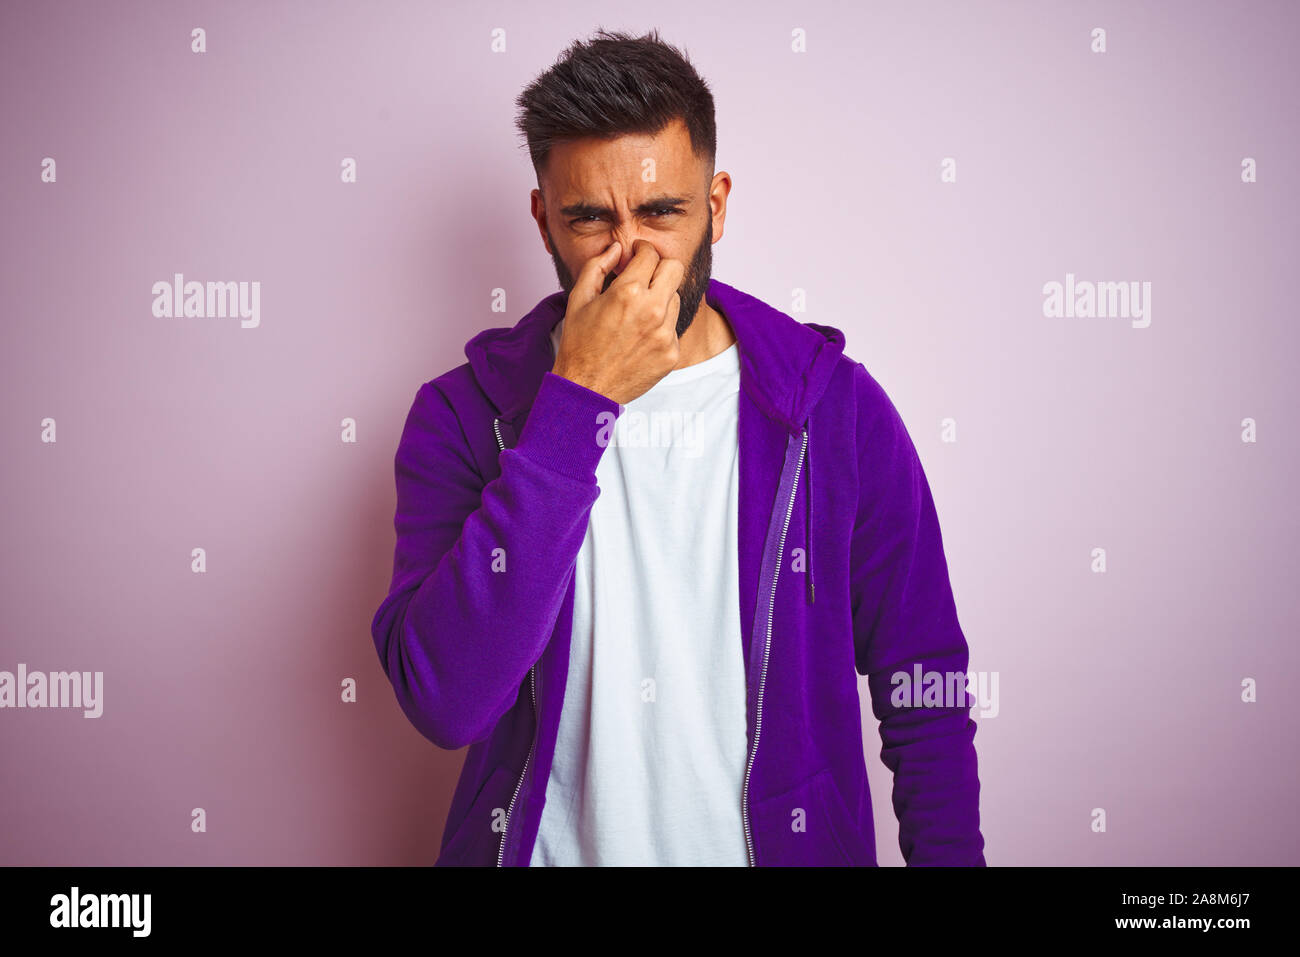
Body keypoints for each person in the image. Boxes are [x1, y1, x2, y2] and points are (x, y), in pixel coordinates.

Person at [371, 28, 986, 867]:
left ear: (718, 206)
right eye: (590, 217)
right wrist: (575, 402)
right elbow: (445, 698)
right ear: (544, 217)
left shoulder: (834, 409)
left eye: (663, 210)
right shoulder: (461, 417)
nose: (633, 254)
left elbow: (926, 690)